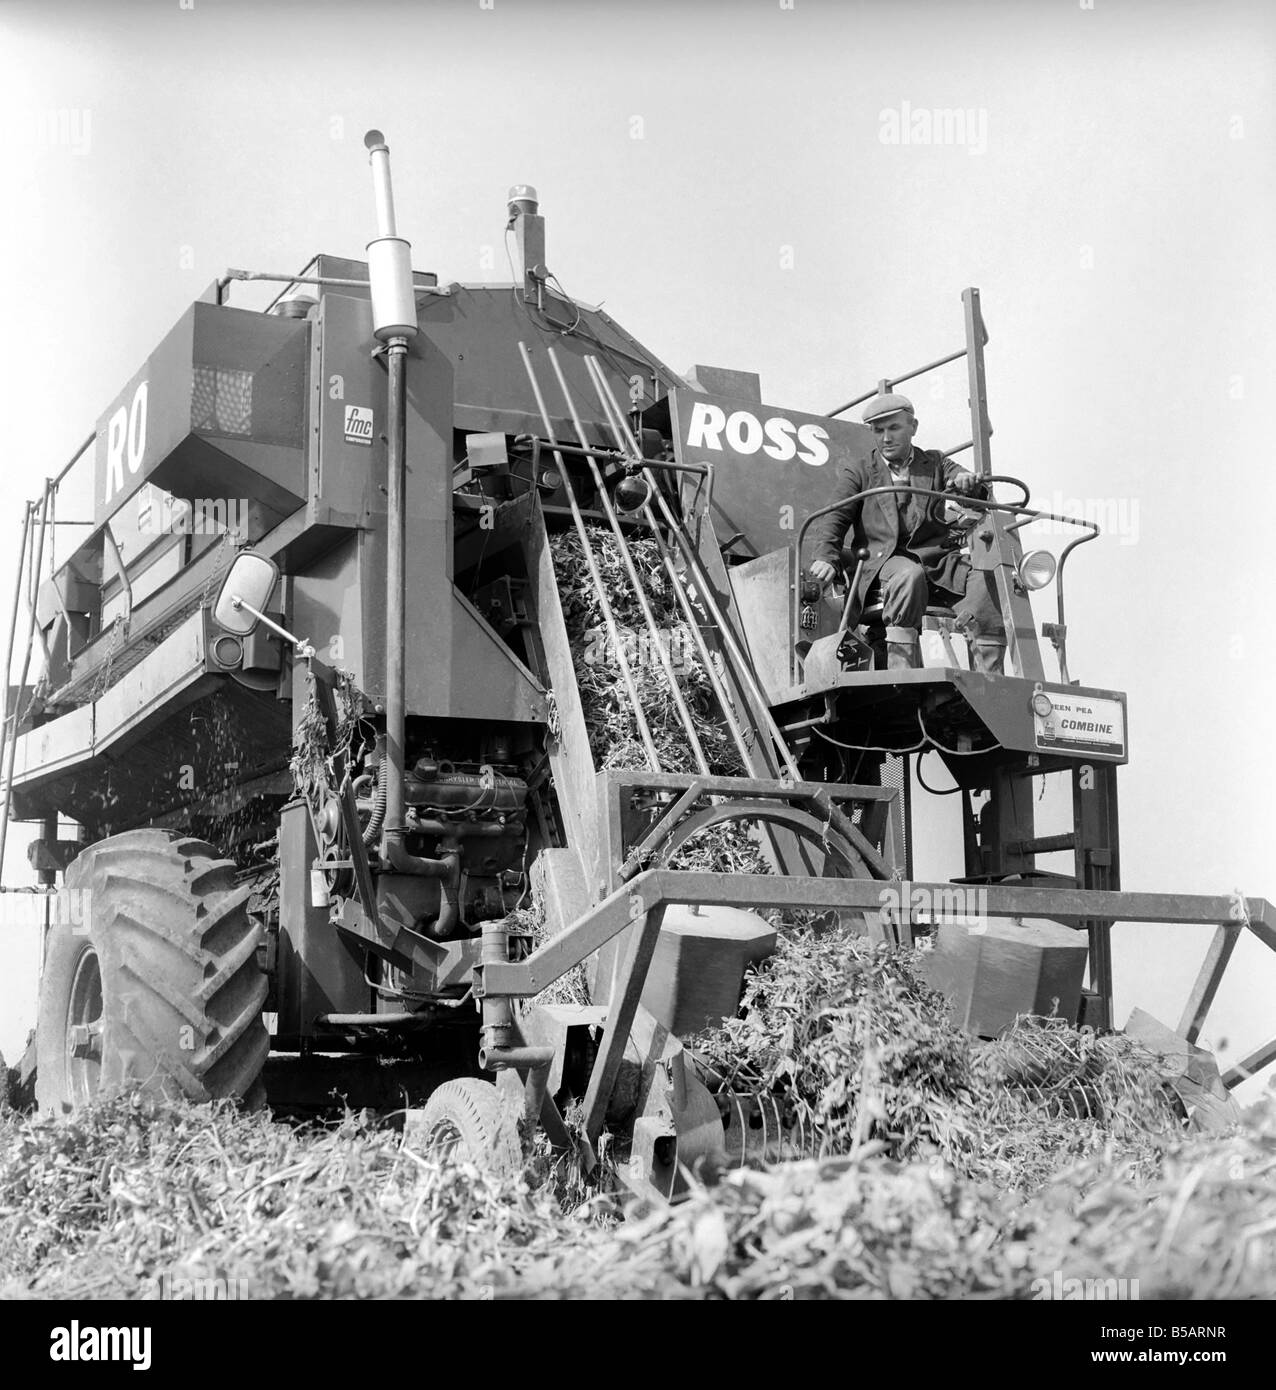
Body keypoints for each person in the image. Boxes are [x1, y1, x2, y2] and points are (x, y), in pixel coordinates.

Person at [807, 391, 1006, 673]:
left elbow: (973, 493)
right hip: (885, 563)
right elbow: (835, 516)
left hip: (936, 563)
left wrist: (968, 485)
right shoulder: (860, 471)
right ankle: (902, 674)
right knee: (908, 576)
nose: (886, 438)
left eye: (894, 428)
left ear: (913, 427)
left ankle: (989, 678)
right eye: (879, 431)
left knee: (985, 579)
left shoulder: (935, 463)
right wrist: (826, 557)